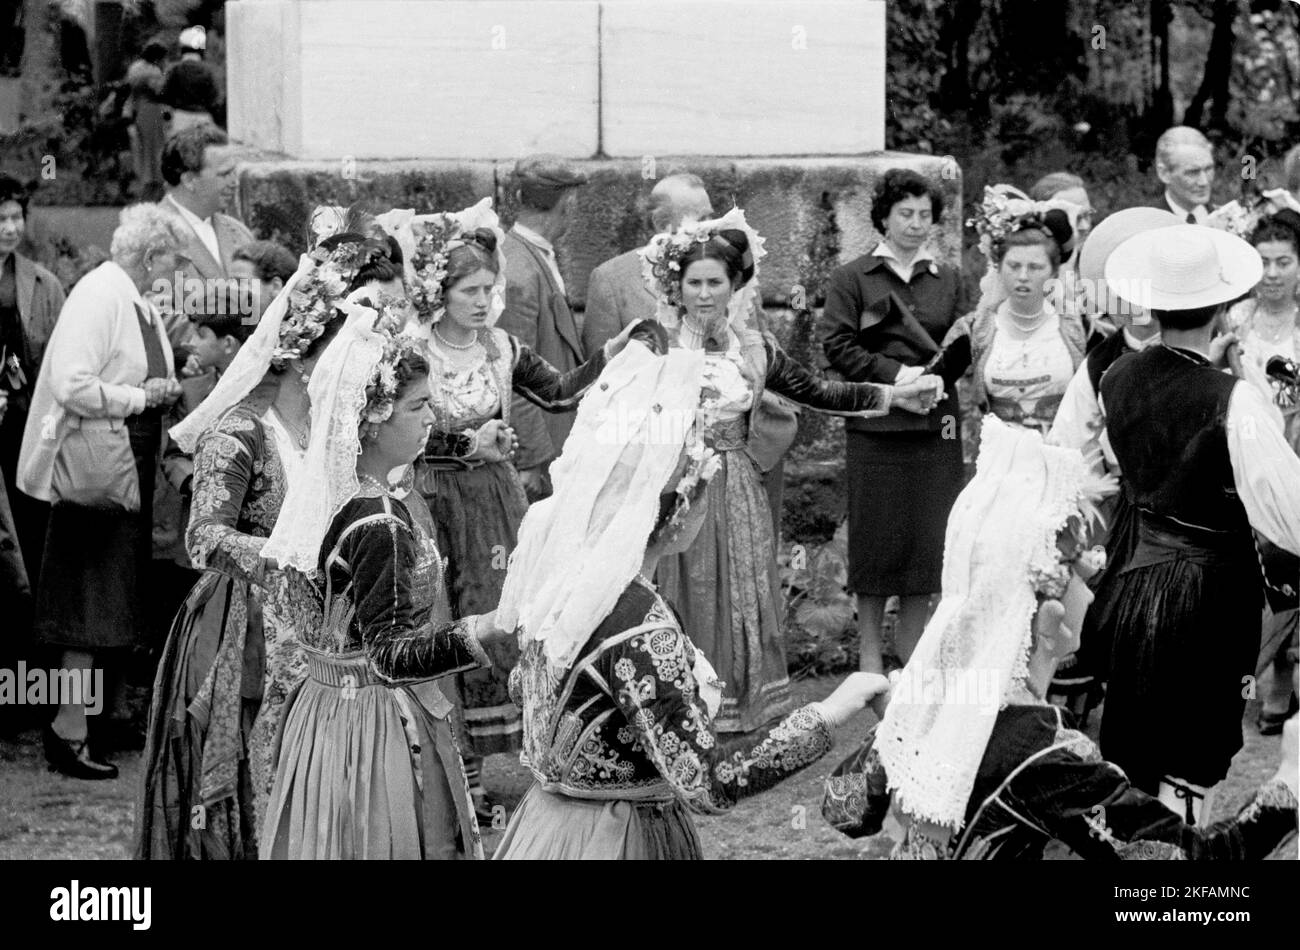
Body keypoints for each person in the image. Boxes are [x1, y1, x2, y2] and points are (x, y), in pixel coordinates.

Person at [821, 417, 1299, 859]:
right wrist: (1289, 785)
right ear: (1047, 612)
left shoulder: (930, 698)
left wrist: (873, 724)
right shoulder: (1046, 755)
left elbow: (843, 810)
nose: (1092, 594)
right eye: (1081, 575)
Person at [494, 341, 893, 859]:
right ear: (686, 508)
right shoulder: (636, 621)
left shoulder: (560, 580)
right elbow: (707, 779)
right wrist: (832, 709)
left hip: (545, 827)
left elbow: (522, 684)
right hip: (619, 838)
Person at [404, 199, 659, 816]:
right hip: (427, 498)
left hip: (492, 505)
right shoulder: (409, 352)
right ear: (440, 289)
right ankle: (445, 771)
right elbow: (387, 425)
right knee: (433, 619)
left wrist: (615, 351)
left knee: (497, 618)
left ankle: (493, 768)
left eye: (488, 288)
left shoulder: (501, 349)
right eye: (468, 289)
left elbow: (559, 392)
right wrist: (464, 443)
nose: (480, 300)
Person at [648, 209, 943, 736]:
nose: (705, 293)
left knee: (739, 589)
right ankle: (674, 713)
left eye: (716, 281)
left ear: (734, 285)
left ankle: (733, 711)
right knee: (681, 589)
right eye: (694, 282)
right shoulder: (653, 347)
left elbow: (821, 392)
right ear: (677, 287)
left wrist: (894, 393)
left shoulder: (755, 348)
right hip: (671, 488)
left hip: (735, 485)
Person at [136, 233, 360, 858]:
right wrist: (285, 559)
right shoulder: (237, 430)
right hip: (244, 627)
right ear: (297, 358)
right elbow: (203, 535)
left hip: (319, 626)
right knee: (250, 774)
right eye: (334, 358)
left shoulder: (326, 431)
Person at [258, 301, 499, 860]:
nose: (430, 419)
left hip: (325, 712)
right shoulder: (379, 522)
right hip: (370, 725)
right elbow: (390, 657)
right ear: (371, 418)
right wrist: (481, 630)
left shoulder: (341, 498)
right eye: (417, 407)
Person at [1098, 223, 1300, 823]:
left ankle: (1143, 902)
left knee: (1138, 758)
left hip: (1133, 581)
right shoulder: (1234, 400)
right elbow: (1289, 515)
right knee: (1192, 763)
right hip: (1208, 598)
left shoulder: (1114, 379)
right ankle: (1187, 909)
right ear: (1220, 306)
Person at [16, 204, 186, 779]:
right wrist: (141, 398)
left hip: (121, 465)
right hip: (97, 471)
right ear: (148, 256)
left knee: (111, 600)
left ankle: (94, 718)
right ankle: (68, 729)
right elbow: (71, 383)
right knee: (84, 603)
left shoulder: (130, 295)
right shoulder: (101, 294)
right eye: (169, 257)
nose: (175, 268)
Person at [585, 172, 799, 542]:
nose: (713, 225)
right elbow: (601, 383)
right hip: (653, 469)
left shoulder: (732, 276)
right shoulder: (612, 280)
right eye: (699, 218)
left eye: (711, 215)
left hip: (730, 467)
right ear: (661, 224)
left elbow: (763, 352)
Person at [818, 168, 967, 675]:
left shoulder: (949, 278)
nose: (916, 224)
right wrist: (899, 380)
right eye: (906, 213)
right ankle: (867, 656)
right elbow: (837, 344)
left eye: (926, 215)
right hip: (877, 428)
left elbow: (963, 345)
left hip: (936, 427)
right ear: (883, 216)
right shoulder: (852, 278)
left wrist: (934, 382)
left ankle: (914, 648)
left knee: (929, 539)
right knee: (878, 537)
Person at [1045, 207, 1176, 722]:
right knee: (1105, 606)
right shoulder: (1099, 365)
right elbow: (1067, 445)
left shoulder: (1197, 353)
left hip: (1182, 511)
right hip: (1118, 507)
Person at [1225, 210, 1300, 736]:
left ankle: (1289, 677)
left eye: (1284, 262)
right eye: (1264, 262)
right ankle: (1262, 671)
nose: (1273, 273)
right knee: (1262, 565)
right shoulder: (1234, 321)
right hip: (1252, 453)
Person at [926, 217, 1088, 436]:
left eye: (1035, 267)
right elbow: (934, 385)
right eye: (1014, 266)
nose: (1023, 276)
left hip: (1065, 448)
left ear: (1053, 272)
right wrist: (950, 434)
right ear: (999, 268)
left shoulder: (1078, 325)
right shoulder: (976, 328)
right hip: (1000, 454)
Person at [498, 154, 588, 500]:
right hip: (543, 450)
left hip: (556, 437)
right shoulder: (520, 271)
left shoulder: (528, 255)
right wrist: (532, 460)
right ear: (567, 202)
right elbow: (516, 372)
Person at [0, 174, 65, 621]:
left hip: (25, 422)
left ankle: (28, 620)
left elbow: (59, 359)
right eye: (0, 218)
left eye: (15, 216)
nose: (9, 227)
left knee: (28, 519)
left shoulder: (42, 283)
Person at [157, 124, 255, 351]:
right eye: (224, 174)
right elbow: (154, 321)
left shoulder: (238, 232)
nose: (234, 181)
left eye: (234, 172)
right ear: (190, 180)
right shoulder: (152, 237)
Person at [124, 41, 168, 200]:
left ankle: (147, 184)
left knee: (144, 151)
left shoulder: (134, 70)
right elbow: (160, 90)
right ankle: (155, 187)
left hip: (140, 111)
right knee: (156, 149)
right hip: (153, 111)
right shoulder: (154, 72)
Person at [161, 27, 221, 136]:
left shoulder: (175, 69)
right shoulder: (208, 71)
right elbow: (215, 99)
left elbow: (165, 95)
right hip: (204, 119)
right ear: (201, 49)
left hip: (181, 118)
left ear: (182, 49)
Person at [1151, 126, 1217, 223]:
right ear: (1164, 174)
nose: (1204, 182)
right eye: (1192, 172)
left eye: (1208, 169)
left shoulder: (1228, 219)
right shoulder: (1148, 225)